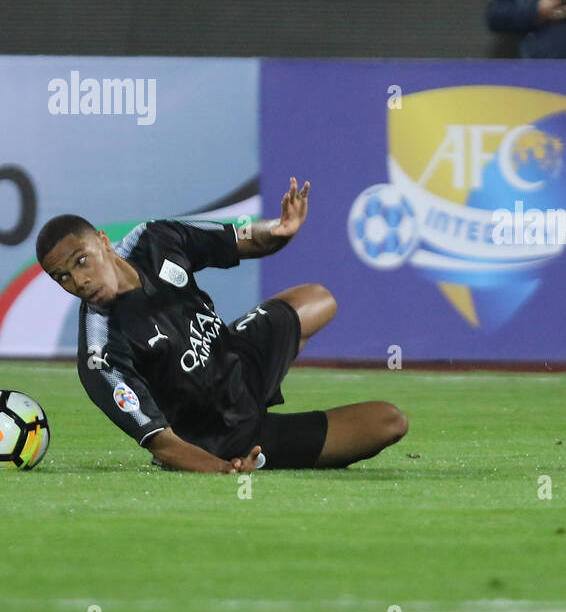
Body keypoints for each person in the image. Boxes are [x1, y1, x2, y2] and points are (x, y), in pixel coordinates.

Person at [35, 178, 408, 474]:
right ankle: (272, 441)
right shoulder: (100, 354)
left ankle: (267, 381)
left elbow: (237, 239)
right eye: (62, 277)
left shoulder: (154, 239)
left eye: (82, 261)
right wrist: (224, 468)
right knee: (389, 421)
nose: (77, 281)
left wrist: (279, 229)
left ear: (104, 242)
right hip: (227, 436)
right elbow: (160, 443)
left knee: (319, 298)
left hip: (237, 357)